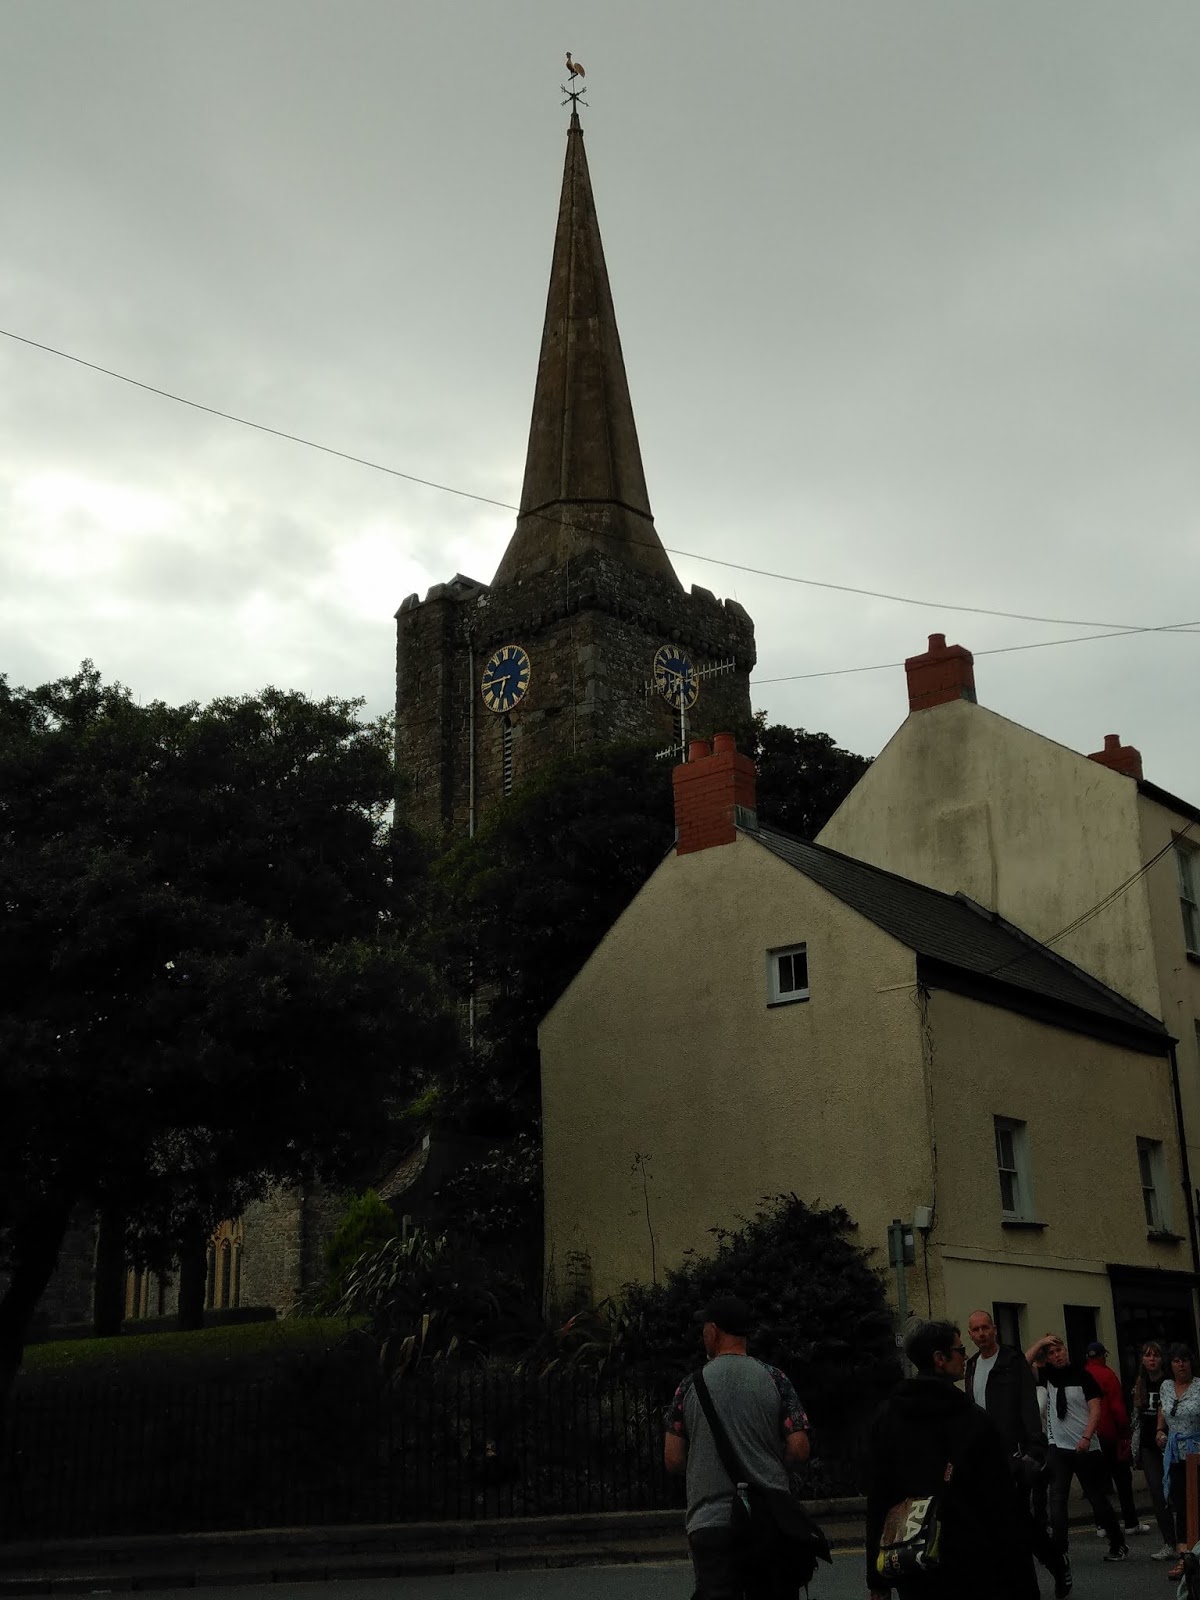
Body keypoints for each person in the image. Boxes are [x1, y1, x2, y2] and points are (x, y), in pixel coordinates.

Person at [865, 1319, 1033, 1600]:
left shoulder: (887, 1417)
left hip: (914, 1561)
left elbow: (879, 1497)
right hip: (970, 1561)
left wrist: (877, 1579)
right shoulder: (973, 1420)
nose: (966, 1356)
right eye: (960, 1349)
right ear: (940, 1359)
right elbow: (1001, 1505)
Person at [664, 1295, 811, 1599]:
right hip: (769, 1520)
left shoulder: (689, 1386)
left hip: (710, 1522)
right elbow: (799, 1448)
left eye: (704, 1327)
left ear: (714, 1331)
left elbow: (673, 1458)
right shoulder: (775, 1379)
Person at [963, 1308, 1058, 1587]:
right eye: (975, 1330)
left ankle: (1038, 1569)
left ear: (994, 1329)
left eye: (985, 1328)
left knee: (1013, 1516)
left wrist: (1034, 1449)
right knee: (1008, 1518)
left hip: (1013, 1453)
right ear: (970, 1335)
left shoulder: (1012, 1360)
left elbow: (1028, 1405)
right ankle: (1048, 1562)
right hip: (983, 1455)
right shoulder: (970, 1366)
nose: (981, 1334)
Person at [1026, 1332, 1127, 1578]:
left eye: (1059, 1350)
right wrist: (1041, 1342)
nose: (1056, 1355)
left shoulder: (1084, 1376)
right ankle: (1060, 1551)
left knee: (1097, 1500)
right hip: (1058, 1448)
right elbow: (1023, 1363)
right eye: (1051, 1353)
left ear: (1067, 1352)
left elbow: (1095, 1409)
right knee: (1057, 1499)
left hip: (1085, 1449)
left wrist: (1086, 1436)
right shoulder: (1047, 1376)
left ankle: (1117, 1543)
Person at [1082, 1339, 1148, 1537]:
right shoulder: (1108, 1375)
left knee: (1098, 1483)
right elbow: (1117, 1408)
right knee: (1122, 1480)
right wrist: (1125, 1432)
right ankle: (1130, 1523)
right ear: (1102, 1355)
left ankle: (1102, 1525)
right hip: (1110, 1434)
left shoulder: (1082, 1376)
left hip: (1090, 1435)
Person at [1155, 1343, 1200, 1580]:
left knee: (1197, 1507)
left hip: (1197, 1455)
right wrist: (1160, 1431)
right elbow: (1163, 1412)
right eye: (1176, 1360)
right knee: (1181, 1507)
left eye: (1185, 1360)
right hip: (1174, 1456)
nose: (1181, 1364)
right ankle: (1186, 1560)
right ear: (1170, 1365)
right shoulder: (1166, 1387)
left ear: (1191, 1362)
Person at [1131, 1340, 1178, 1558]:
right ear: (1142, 1359)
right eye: (1148, 1355)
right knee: (1158, 1495)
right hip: (1149, 1446)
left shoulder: (1170, 1382)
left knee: (1178, 1494)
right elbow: (1136, 1418)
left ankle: (1189, 1541)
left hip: (1171, 1444)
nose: (1152, 1359)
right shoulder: (1140, 1383)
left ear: (1162, 1359)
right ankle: (1170, 1542)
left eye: (1156, 1355)